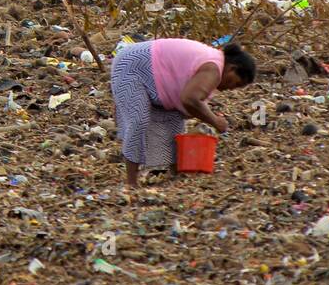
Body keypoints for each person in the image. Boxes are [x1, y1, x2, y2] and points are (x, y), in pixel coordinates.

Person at [110, 38, 257, 188]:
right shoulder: (214, 69)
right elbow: (190, 99)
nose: (232, 89)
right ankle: (131, 182)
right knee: (138, 120)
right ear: (232, 68)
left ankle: (175, 172)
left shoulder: (214, 64)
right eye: (236, 83)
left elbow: (187, 106)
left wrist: (198, 113)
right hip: (131, 65)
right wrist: (215, 121)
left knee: (174, 118)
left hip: (149, 69)